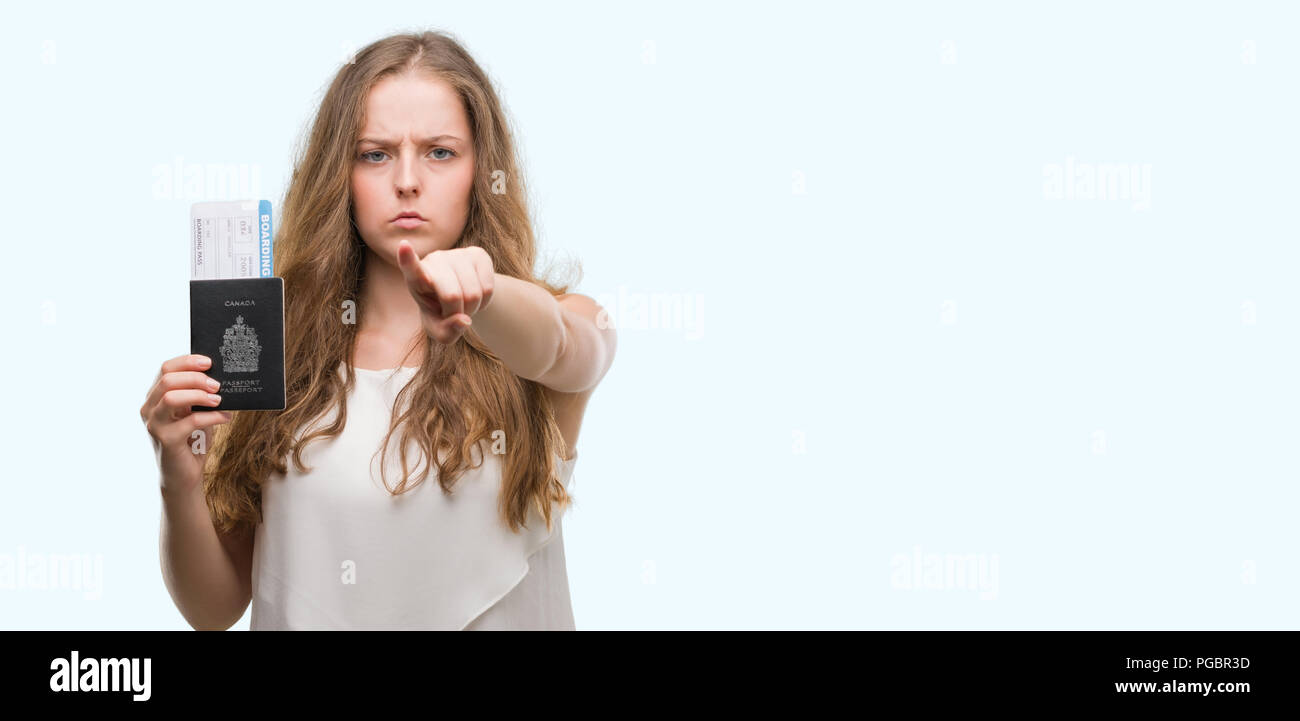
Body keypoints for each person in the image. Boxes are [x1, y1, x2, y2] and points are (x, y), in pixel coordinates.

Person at [141, 30, 617, 630]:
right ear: (340, 173)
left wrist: (485, 292)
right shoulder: (274, 350)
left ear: (480, 171)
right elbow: (213, 611)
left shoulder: (549, 329)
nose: (408, 180)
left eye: (440, 152)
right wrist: (177, 477)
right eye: (376, 153)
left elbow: (572, 347)